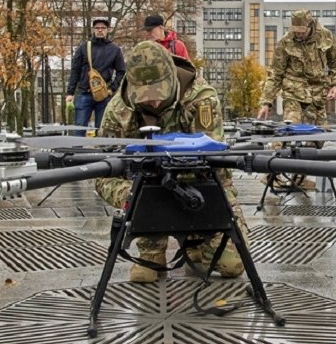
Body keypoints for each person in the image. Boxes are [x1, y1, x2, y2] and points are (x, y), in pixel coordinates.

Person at [94, 41, 246, 282]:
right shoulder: (118, 110)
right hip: (148, 194)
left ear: (172, 79)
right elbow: (104, 175)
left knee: (231, 266)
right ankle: (152, 250)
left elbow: (215, 164)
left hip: (202, 189)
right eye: (145, 96)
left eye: (158, 93)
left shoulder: (199, 98)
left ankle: (195, 240)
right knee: (145, 273)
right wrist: (130, 194)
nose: (153, 102)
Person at [257, 10, 336, 125]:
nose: (299, 35)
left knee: (318, 137)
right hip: (293, 93)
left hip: (317, 94)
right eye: (296, 31)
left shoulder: (325, 36)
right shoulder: (286, 42)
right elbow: (275, 74)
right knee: (291, 126)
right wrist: (266, 103)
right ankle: (280, 142)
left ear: (310, 25)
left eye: (302, 31)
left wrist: (335, 85)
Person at [66, 18, 125, 135]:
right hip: (84, 93)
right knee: (79, 129)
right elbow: (75, 70)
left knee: (102, 130)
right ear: (93, 30)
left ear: (108, 30)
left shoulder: (115, 50)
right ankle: (78, 152)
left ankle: (103, 152)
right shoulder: (83, 48)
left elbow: (121, 71)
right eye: (97, 28)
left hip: (104, 95)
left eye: (103, 28)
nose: (100, 30)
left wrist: (112, 89)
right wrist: (70, 93)